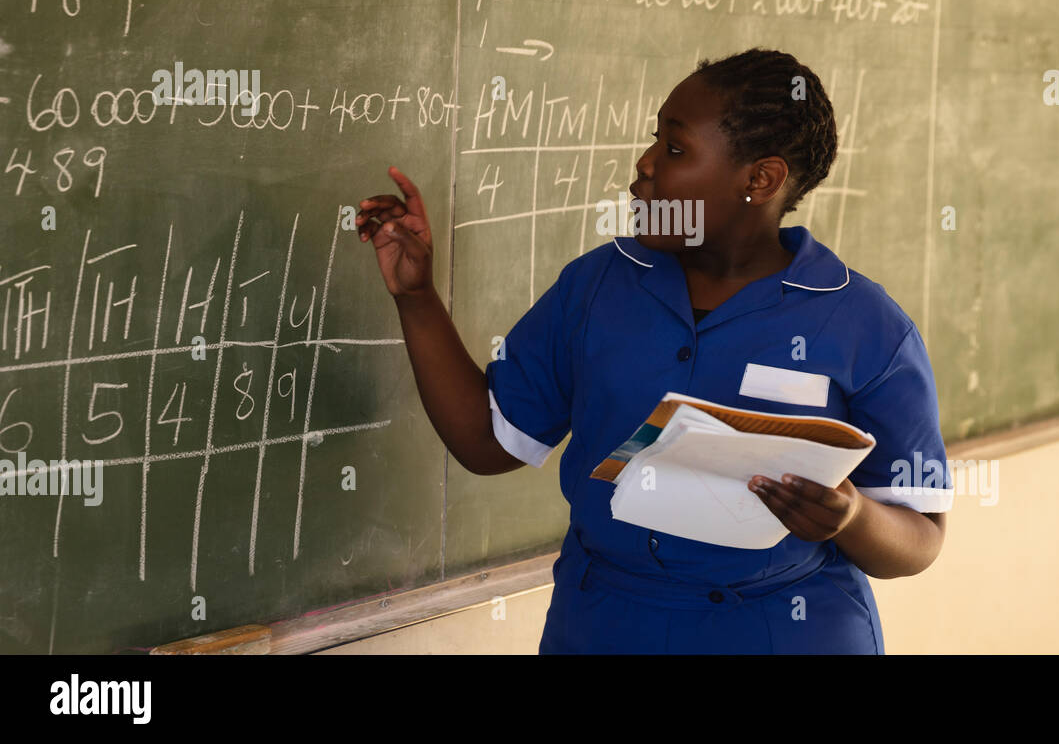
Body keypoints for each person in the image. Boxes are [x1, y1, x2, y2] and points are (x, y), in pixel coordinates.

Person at [357, 47, 952, 653]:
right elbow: (487, 443)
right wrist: (416, 296)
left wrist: (852, 517)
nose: (643, 165)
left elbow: (921, 536)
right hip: (605, 625)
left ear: (761, 179)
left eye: (674, 149)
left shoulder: (864, 324)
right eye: (653, 141)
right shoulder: (597, 287)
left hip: (781, 629)